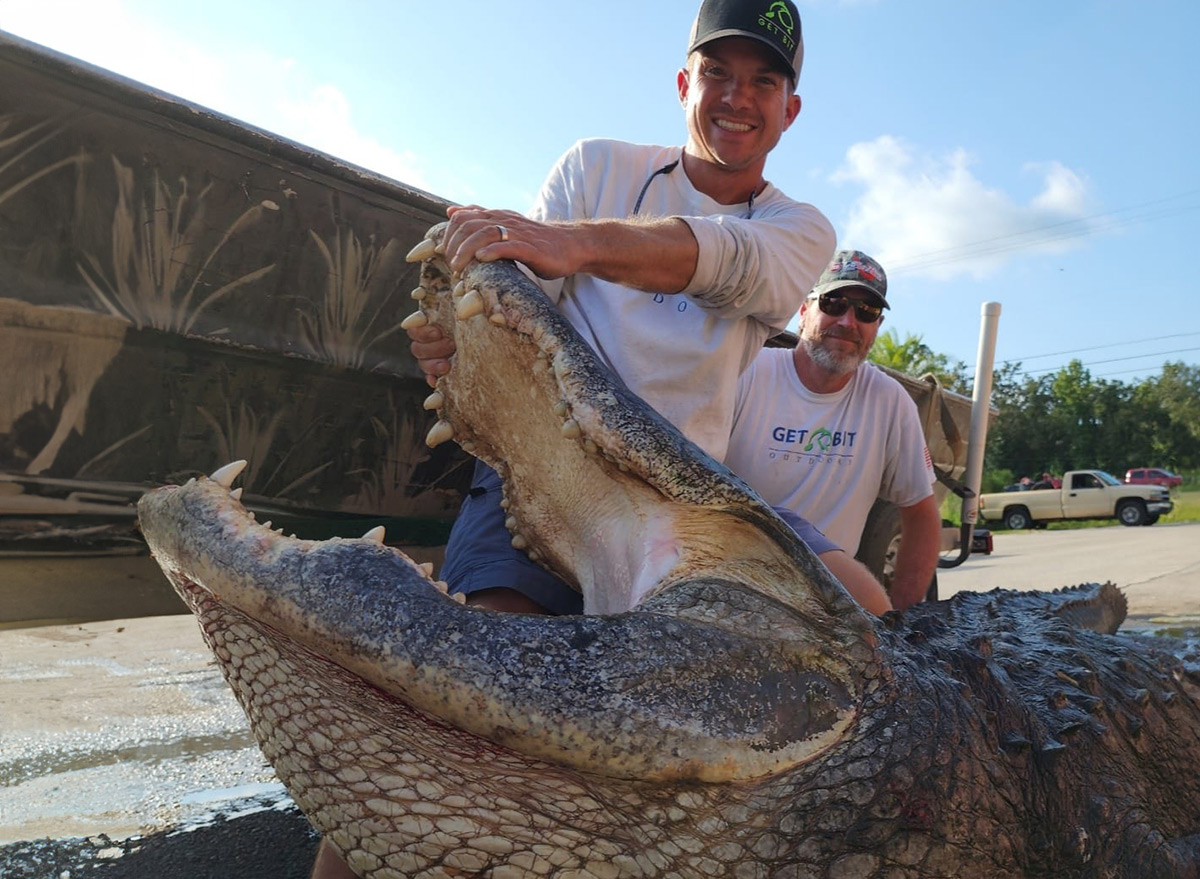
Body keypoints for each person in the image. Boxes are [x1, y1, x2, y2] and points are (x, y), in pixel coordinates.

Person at [405, 0, 893, 620]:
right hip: (550, 462)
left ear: (789, 110)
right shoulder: (594, 166)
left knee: (869, 610)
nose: (737, 98)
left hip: (688, 492)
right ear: (686, 85)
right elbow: (513, 314)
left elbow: (731, 258)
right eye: (717, 72)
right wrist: (458, 346)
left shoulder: (800, 229)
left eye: (763, 82)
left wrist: (574, 243)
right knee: (498, 643)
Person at [724, 250, 943, 611]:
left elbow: (921, 513)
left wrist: (904, 624)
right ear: (805, 311)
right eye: (835, 303)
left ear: (877, 327)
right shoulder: (745, 373)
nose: (848, 321)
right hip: (731, 585)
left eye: (866, 312)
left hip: (829, 607)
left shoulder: (889, 401)